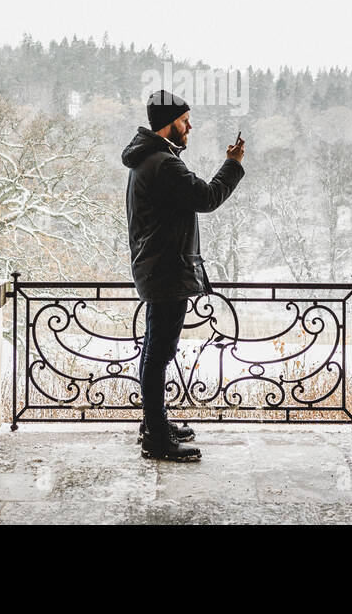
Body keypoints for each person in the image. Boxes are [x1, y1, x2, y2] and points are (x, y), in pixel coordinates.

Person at [121, 90, 245, 461]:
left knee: (155, 352)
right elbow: (206, 198)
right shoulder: (164, 163)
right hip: (167, 271)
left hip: (156, 269)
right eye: (185, 119)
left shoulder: (148, 161)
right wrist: (233, 163)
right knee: (159, 354)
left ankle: (154, 424)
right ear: (168, 123)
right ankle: (158, 439)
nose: (190, 125)